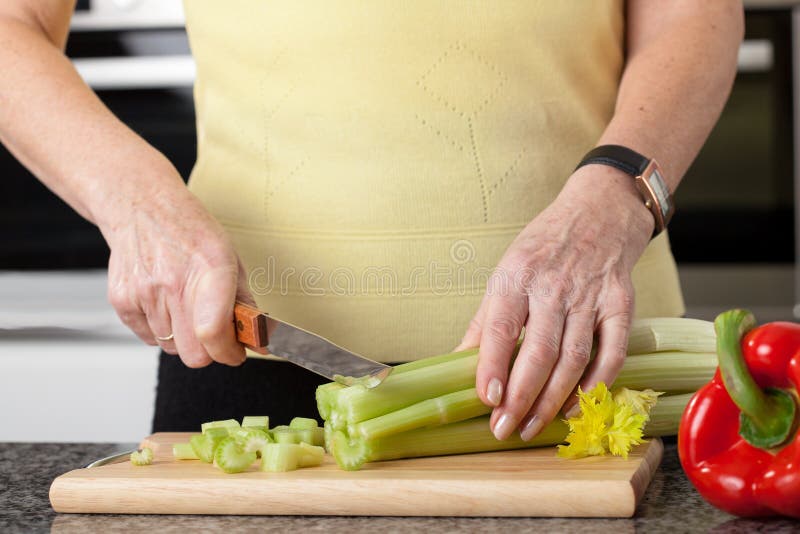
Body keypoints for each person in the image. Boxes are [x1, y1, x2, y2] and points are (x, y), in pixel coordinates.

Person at [0, 1, 743, 439]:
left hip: (591, 356)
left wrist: (613, 203)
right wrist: (136, 204)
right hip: (250, 355)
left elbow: (692, 10)